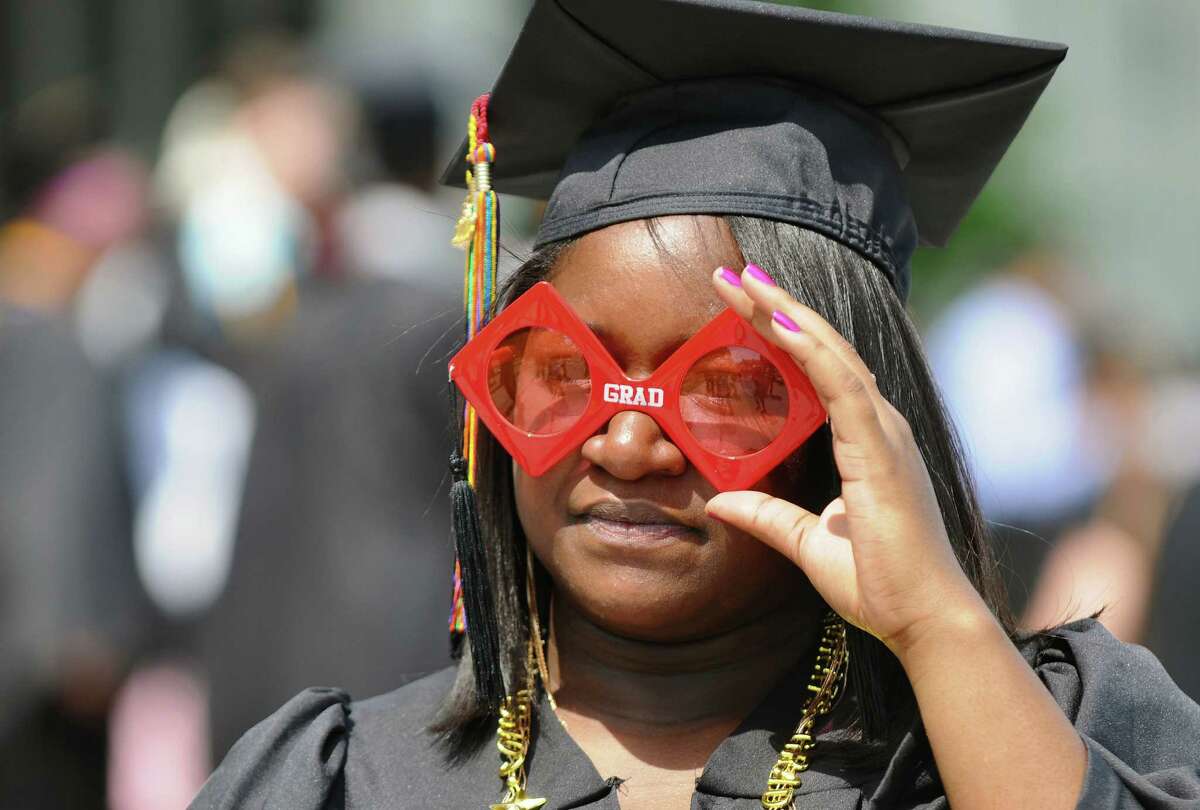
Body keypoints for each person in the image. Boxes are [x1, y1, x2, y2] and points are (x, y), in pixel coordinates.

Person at [191, 1, 1200, 808]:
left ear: (858, 422)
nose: (628, 443)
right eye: (564, 373)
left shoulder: (1040, 739)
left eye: (728, 388)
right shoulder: (339, 782)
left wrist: (938, 627)